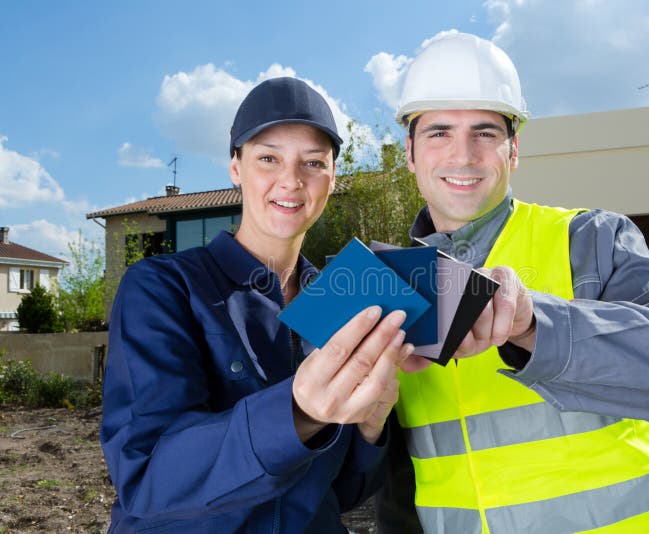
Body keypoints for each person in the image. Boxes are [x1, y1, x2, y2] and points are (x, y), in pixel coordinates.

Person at [376, 33, 649, 533]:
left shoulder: (590, 239)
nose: (462, 155)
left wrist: (536, 326)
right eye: (439, 132)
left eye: (484, 132)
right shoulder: (387, 283)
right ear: (410, 153)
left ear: (514, 150)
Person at [101, 77, 415, 532]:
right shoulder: (162, 287)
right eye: (268, 158)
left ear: (332, 178)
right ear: (235, 167)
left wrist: (371, 425)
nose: (291, 180)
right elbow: (147, 475)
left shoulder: (346, 297)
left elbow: (343, 493)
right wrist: (299, 412)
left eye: (313, 162)